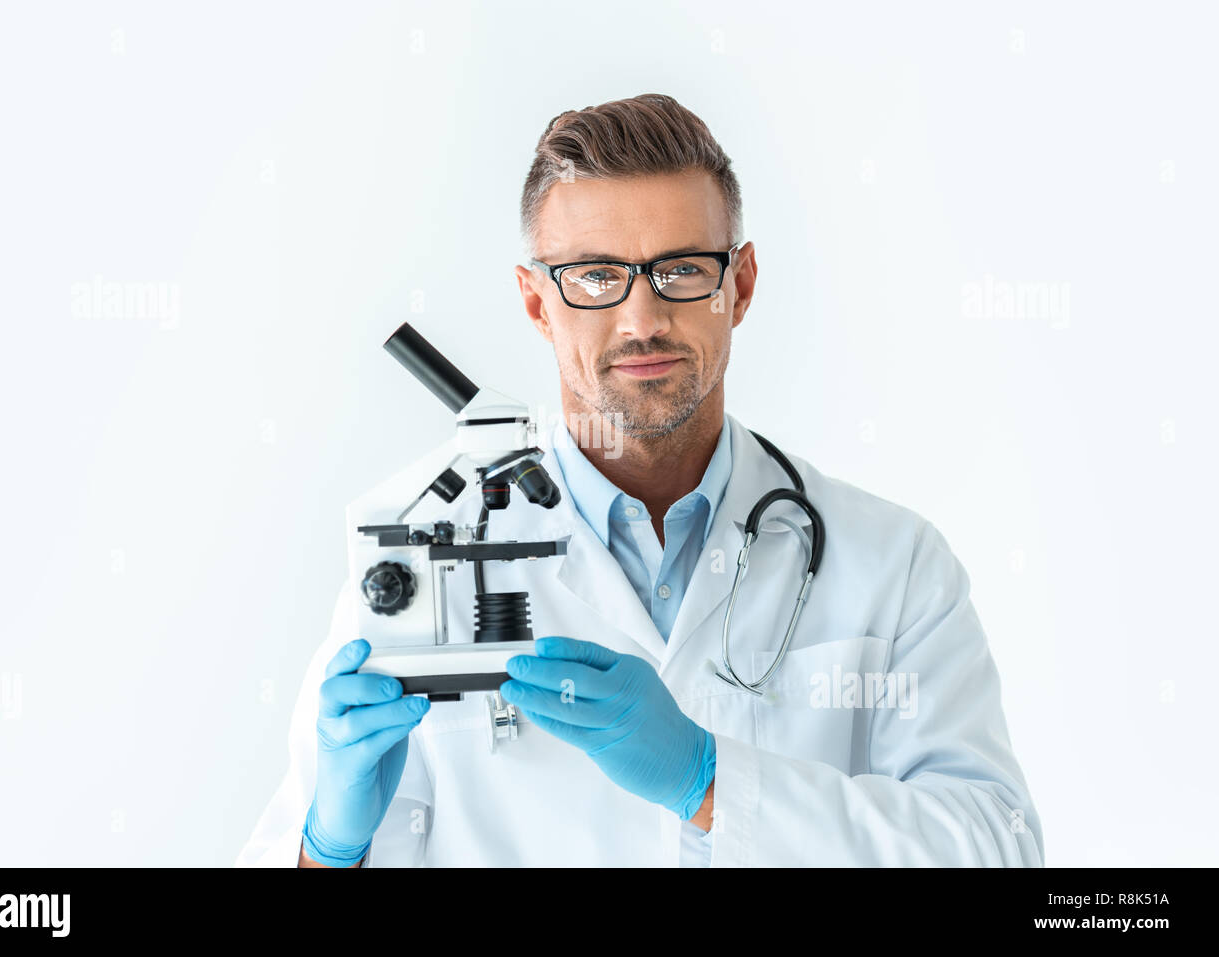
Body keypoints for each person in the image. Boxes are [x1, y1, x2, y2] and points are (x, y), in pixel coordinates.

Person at [237, 93, 1043, 867]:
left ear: (742, 286)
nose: (641, 319)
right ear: (536, 302)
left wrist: (712, 780)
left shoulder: (891, 565)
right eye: (594, 275)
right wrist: (327, 849)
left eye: (682, 269)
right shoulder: (415, 557)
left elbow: (995, 849)